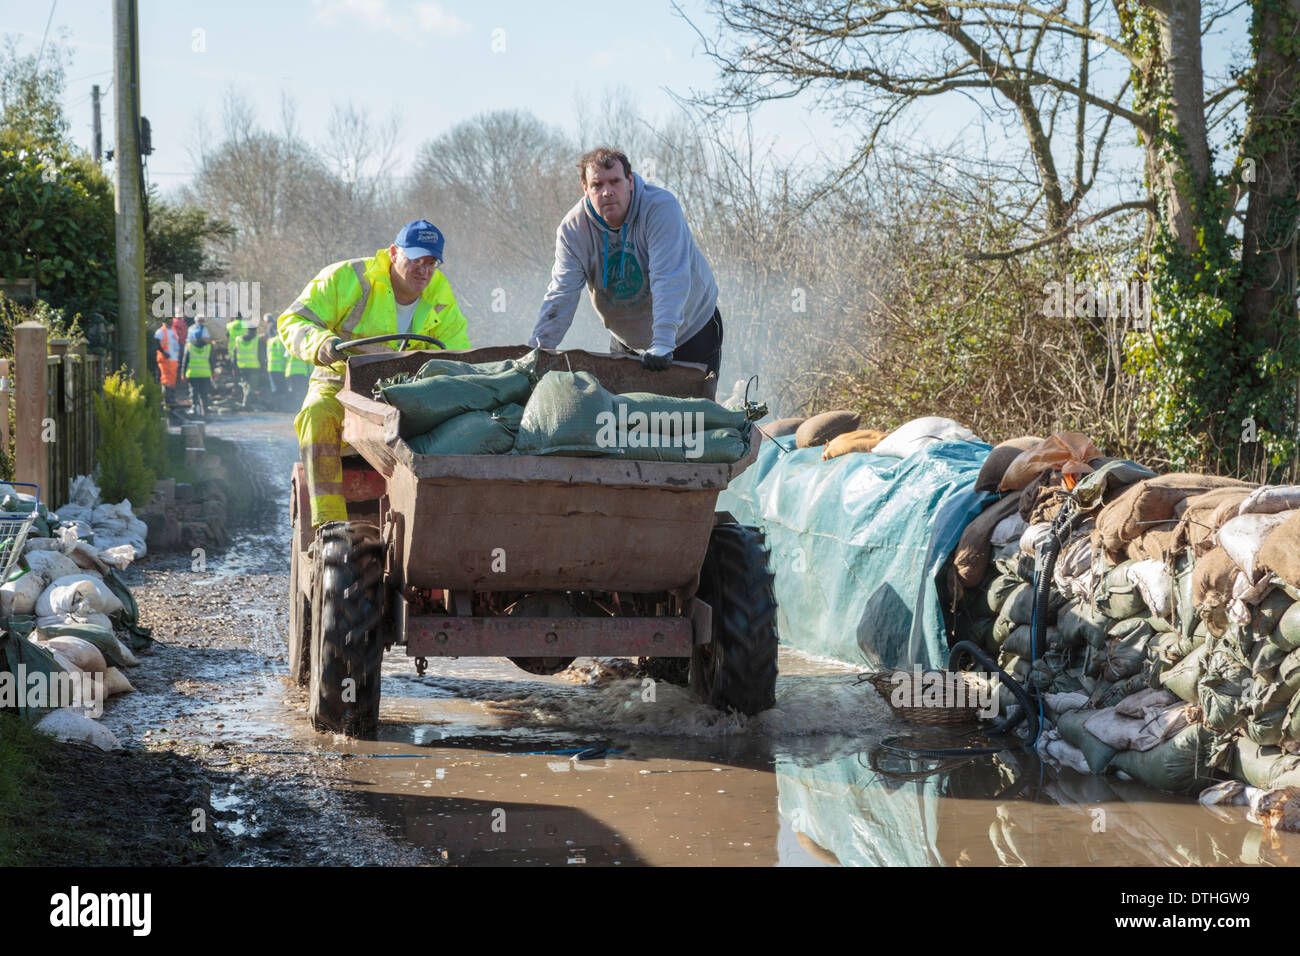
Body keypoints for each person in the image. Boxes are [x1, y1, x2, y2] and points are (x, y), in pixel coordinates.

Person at [278, 219, 471, 529]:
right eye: (416, 260)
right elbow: (293, 321)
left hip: (407, 393)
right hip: (341, 383)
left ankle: (439, 525)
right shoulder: (347, 278)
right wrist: (322, 343)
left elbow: (458, 352)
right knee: (316, 414)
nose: (423, 270)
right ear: (394, 253)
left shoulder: (440, 294)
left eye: (431, 263)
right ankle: (330, 527)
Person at [530, 147, 722, 375]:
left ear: (630, 181)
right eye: (597, 185)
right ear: (585, 189)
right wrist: (540, 349)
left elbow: (668, 278)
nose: (607, 192)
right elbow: (562, 292)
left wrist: (662, 342)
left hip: (691, 330)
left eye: (615, 182)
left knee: (689, 411)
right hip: (627, 341)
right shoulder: (573, 230)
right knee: (622, 410)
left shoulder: (660, 209)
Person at [181, 324, 213, 418]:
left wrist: (183, 374)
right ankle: (205, 410)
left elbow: (185, 362)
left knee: (194, 393)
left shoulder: (189, 346)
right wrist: (212, 373)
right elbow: (211, 361)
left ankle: (194, 409)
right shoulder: (208, 347)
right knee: (204, 393)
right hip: (205, 374)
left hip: (193, 374)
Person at [264, 312, 288, 411]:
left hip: (271, 368)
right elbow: (286, 355)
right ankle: (283, 407)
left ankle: (276, 407)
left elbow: (267, 355)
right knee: (282, 387)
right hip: (282, 368)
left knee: (275, 389)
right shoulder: (284, 341)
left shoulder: (269, 341)